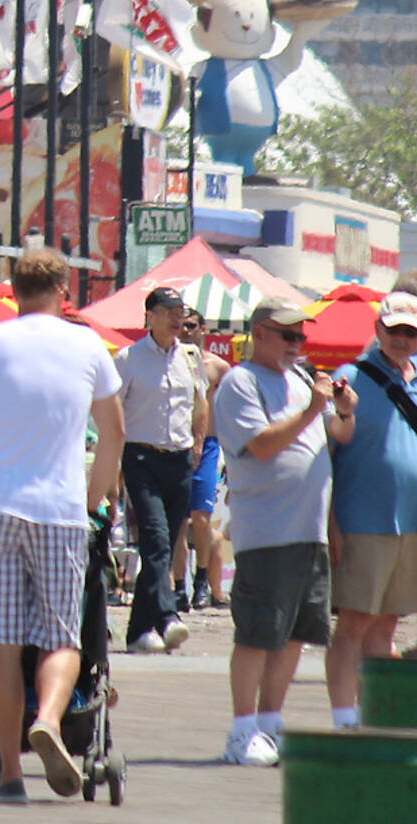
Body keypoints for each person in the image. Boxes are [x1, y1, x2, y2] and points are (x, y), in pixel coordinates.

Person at [0, 247, 126, 803]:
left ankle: (9, 774)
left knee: (2, 645)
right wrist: (94, 498)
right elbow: (114, 432)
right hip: (59, 509)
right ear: (64, 290)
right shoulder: (87, 346)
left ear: (12, 289)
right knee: (61, 636)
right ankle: (48, 717)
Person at [212, 297, 350, 765]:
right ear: (260, 334)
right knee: (257, 634)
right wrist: (313, 410)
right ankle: (241, 731)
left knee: (294, 634)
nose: (297, 343)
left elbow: (338, 435)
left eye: (300, 336)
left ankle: (270, 723)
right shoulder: (241, 382)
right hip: (268, 531)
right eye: (288, 335)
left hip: (308, 531)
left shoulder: (299, 381)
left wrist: (344, 412)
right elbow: (262, 445)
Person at [325, 289, 417, 729]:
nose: (402, 339)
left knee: (386, 626)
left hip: (410, 525)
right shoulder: (349, 378)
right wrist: (330, 523)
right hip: (362, 521)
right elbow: (324, 456)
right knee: (353, 625)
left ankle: (375, 717)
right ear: (378, 329)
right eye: (395, 330)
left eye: (411, 332)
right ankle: (345, 719)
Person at [116, 285, 209, 653]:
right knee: (154, 538)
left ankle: (140, 630)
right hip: (141, 457)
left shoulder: (190, 358)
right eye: (168, 312)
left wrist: (197, 444)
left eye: (180, 312)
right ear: (149, 316)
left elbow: (200, 404)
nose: (176, 319)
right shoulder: (128, 358)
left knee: (165, 545)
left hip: (179, 457)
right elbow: (112, 412)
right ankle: (168, 615)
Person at [172, 308, 233, 611]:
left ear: (202, 329)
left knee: (201, 518)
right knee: (177, 522)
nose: (185, 330)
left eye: (191, 325)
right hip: (176, 445)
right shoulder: (170, 363)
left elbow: (231, 413)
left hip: (208, 446)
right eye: (181, 325)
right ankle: (179, 587)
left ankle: (201, 581)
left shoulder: (218, 367)